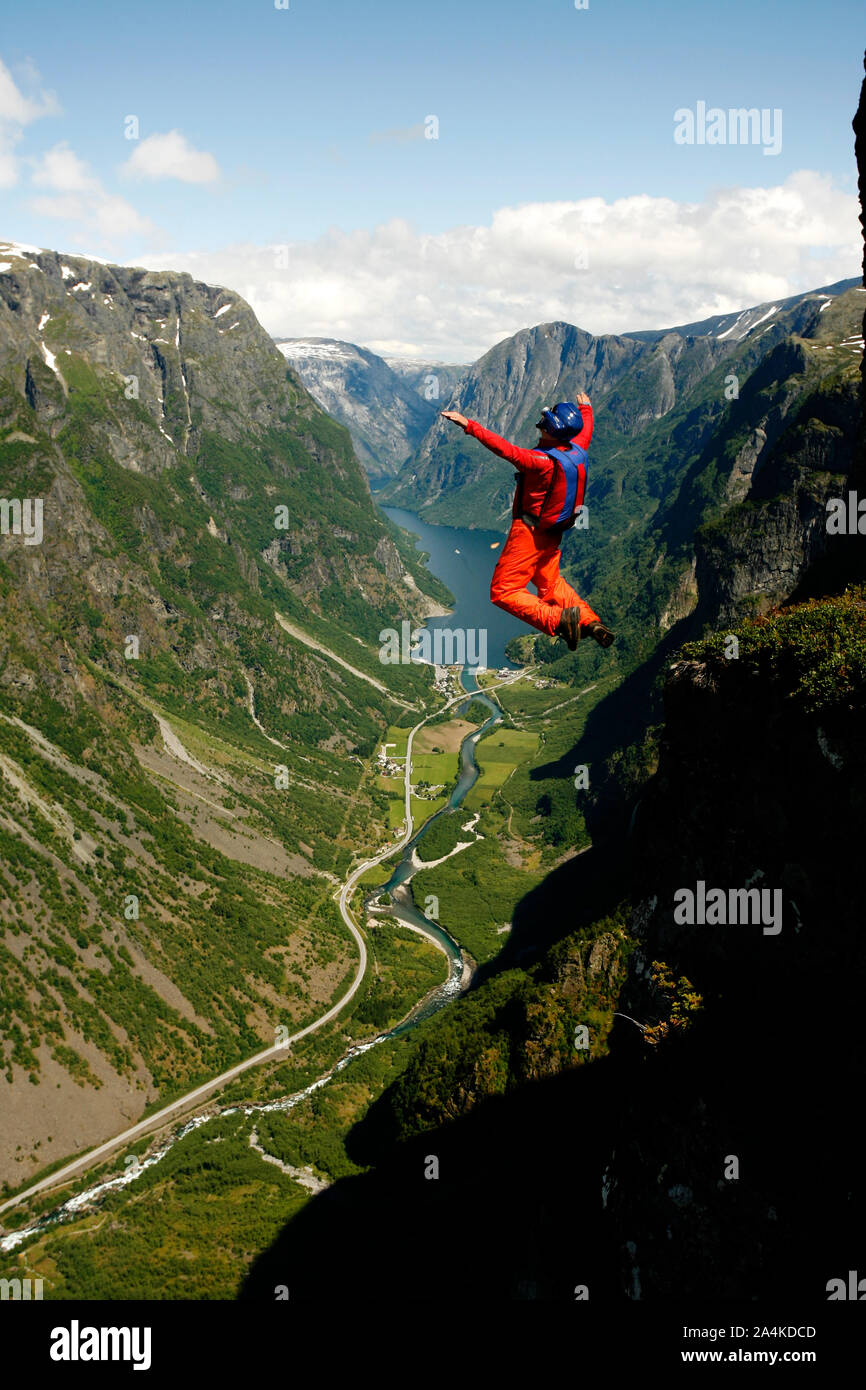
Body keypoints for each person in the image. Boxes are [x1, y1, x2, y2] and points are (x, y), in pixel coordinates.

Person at [440, 394, 615, 651]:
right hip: (553, 532)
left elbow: (504, 449)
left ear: (550, 429)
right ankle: (590, 623)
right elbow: (585, 429)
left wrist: (469, 425)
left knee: (503, 591)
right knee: (551, 583)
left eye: (546, 420)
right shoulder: (577, 448)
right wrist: (586, 409)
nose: (542, 421)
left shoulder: (540, 462)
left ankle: (560, 619)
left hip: (529, 534)